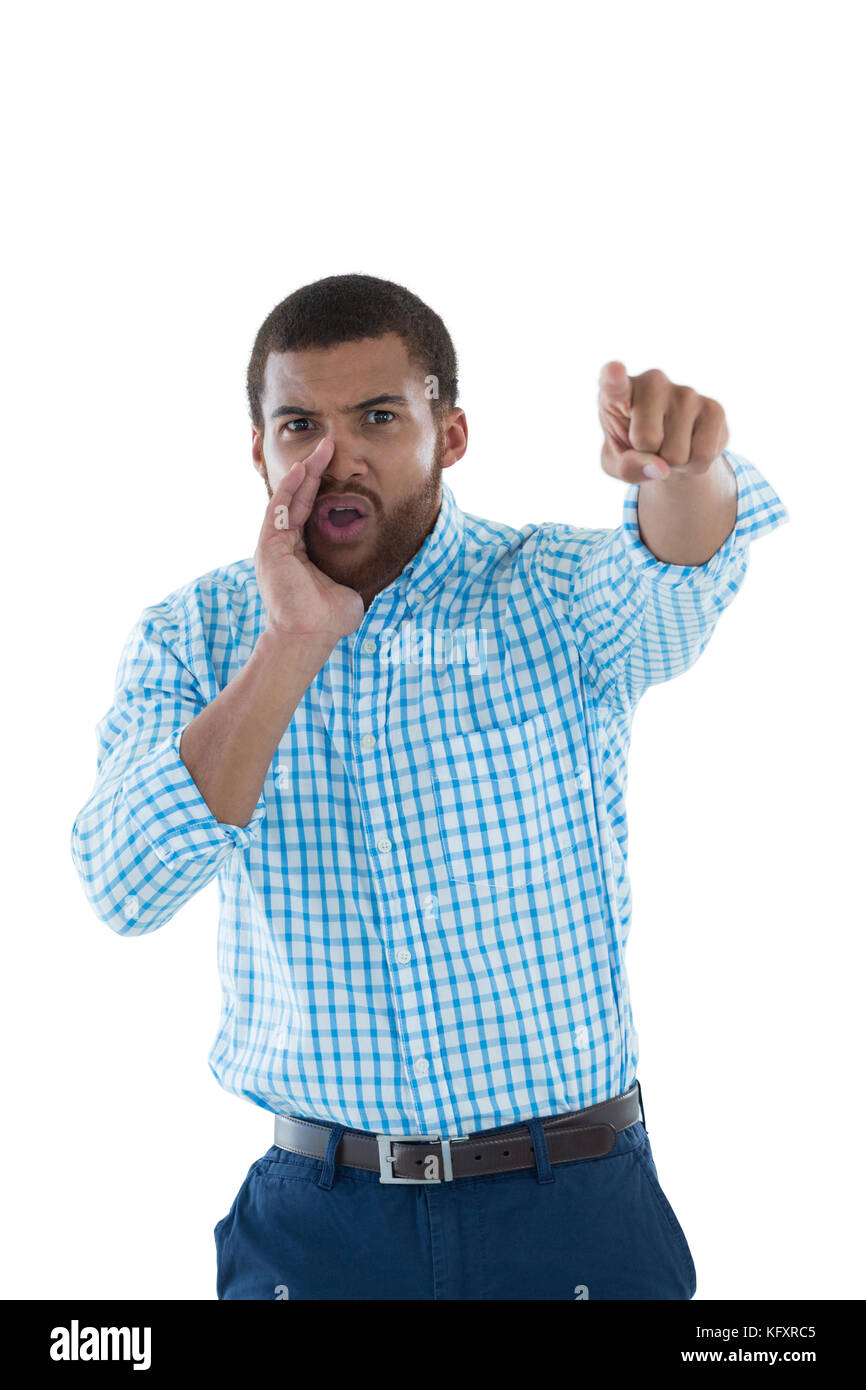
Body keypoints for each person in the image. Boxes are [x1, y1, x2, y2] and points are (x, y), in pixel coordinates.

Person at [70, 273, 789, 1300]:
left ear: (447, 433)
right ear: (258, 450)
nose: (333, 456)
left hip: (570, 1213)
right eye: (297, 424)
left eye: (376, 417)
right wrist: (290, 643)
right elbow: (124, 885)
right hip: (317, 1231)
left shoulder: (545, 592)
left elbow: (673, 572)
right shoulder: (192, 638)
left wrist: (683, 470)